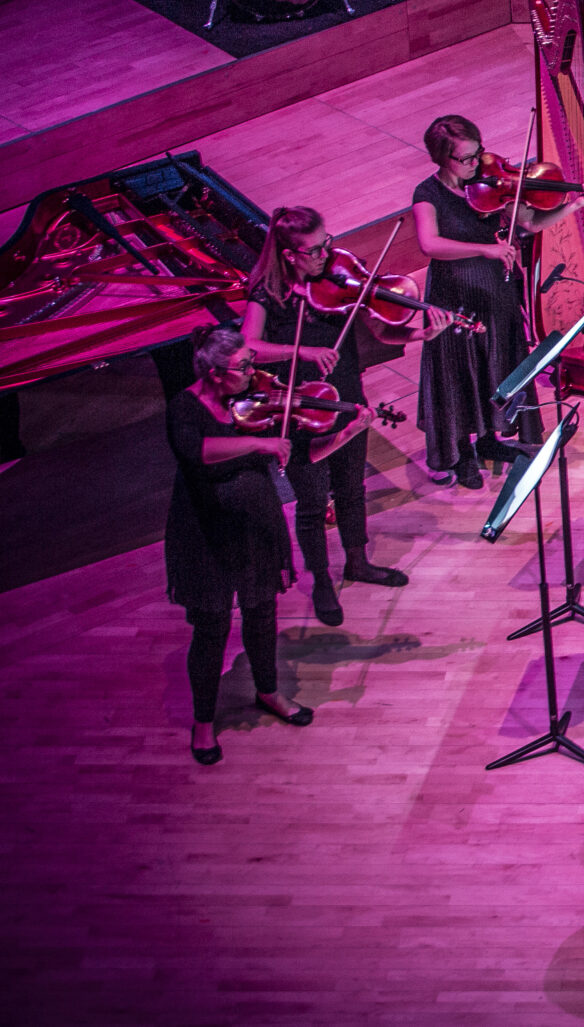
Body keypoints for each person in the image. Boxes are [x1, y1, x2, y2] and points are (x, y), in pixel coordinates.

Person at [239, 207, 435, 625]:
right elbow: (248, 348)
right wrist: (302, 352)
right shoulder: (267, 294)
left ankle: (358, 562)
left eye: (328, 241)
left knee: (351, 487)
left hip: (346, 396)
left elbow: (383, 329)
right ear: (290, 255)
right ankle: (322, 580)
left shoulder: (339, 279)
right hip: (296, 407)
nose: (326, 254)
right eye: (314, 250)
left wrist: (420, 332)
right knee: (311, 501)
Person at [409, 114, 584, 488]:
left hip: (495, 293)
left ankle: (488, 439)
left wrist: (575, 205)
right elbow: (429, 244)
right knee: (458, 374)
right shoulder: (428, 194)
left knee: (495, 366)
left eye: (477, 153)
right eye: (465, 159)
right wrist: (483, 250)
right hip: (454, 297)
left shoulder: (490, 184)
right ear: (442, 160)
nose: (475, 164)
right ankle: (462, 452)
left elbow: (530, 224)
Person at [166, 324, 317, 765]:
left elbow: (295, 446)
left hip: (255, 524)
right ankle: (203, 722)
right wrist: (259, 442)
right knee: (212, 630)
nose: (253, 373)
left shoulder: (247, 401)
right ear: (214, 373)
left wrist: (342, 430)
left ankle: (268, 692)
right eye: (244, 367)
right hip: (207, 533)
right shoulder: (184, 408)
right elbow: (197, 453)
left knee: (261, 614)